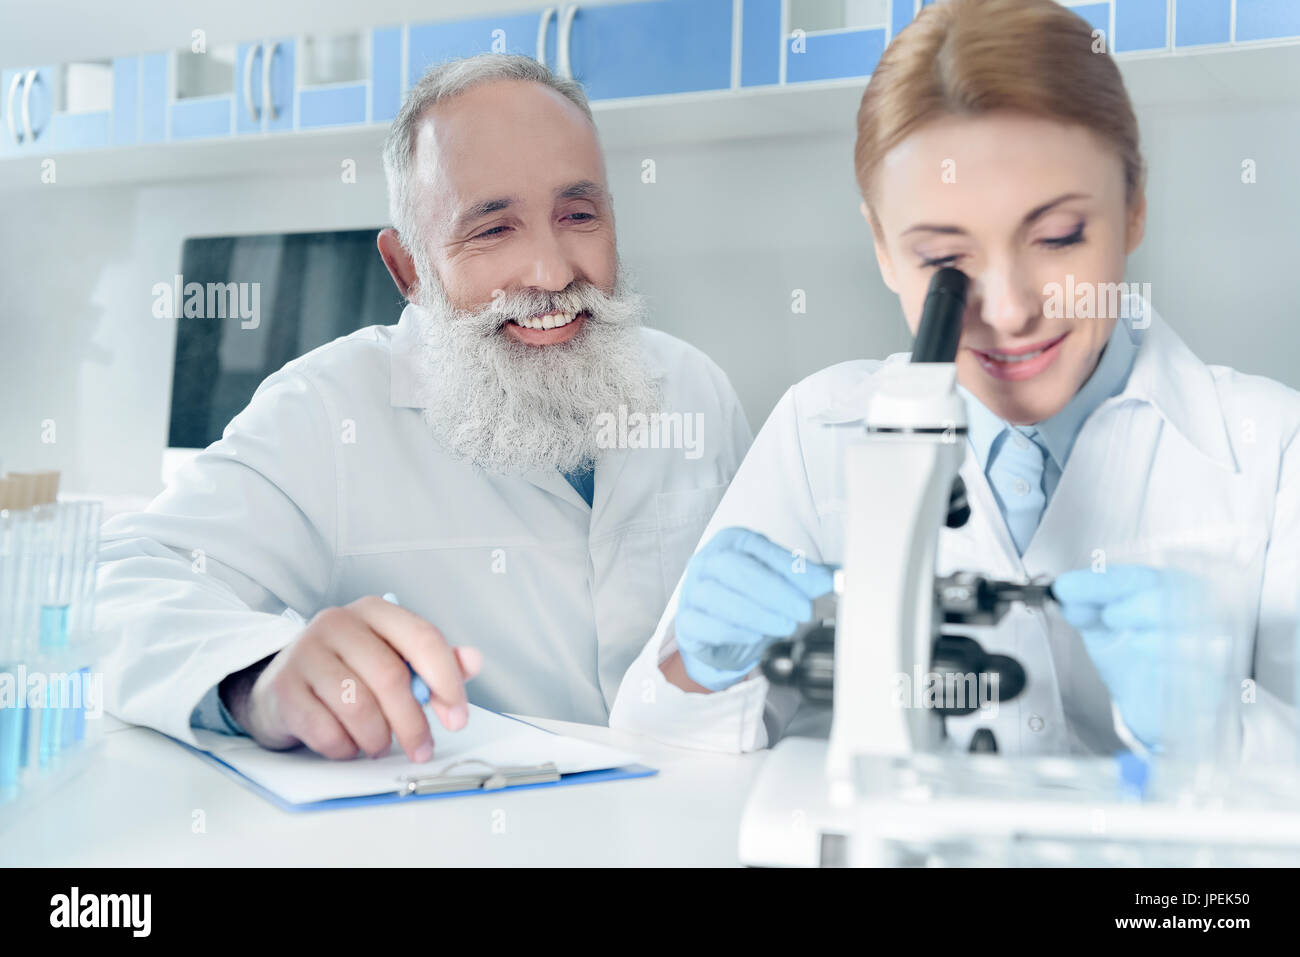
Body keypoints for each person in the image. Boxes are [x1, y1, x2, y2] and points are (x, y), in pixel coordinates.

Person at [610, 0, 1299, 760]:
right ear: (881, 246)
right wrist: (699, 667)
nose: (1007, 310)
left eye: (1059, 237)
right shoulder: (821, 433)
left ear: (1134, 207)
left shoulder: (1270, 451)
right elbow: (654, 755)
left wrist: (1224, 728)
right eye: (945, 262)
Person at [97, 54, 751, 763]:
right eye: (494, 229)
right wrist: (258, 677)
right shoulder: (326, 410)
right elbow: (123, 580)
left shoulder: (695, 390)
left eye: (578, 215)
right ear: (407, 268)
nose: (553, 272)